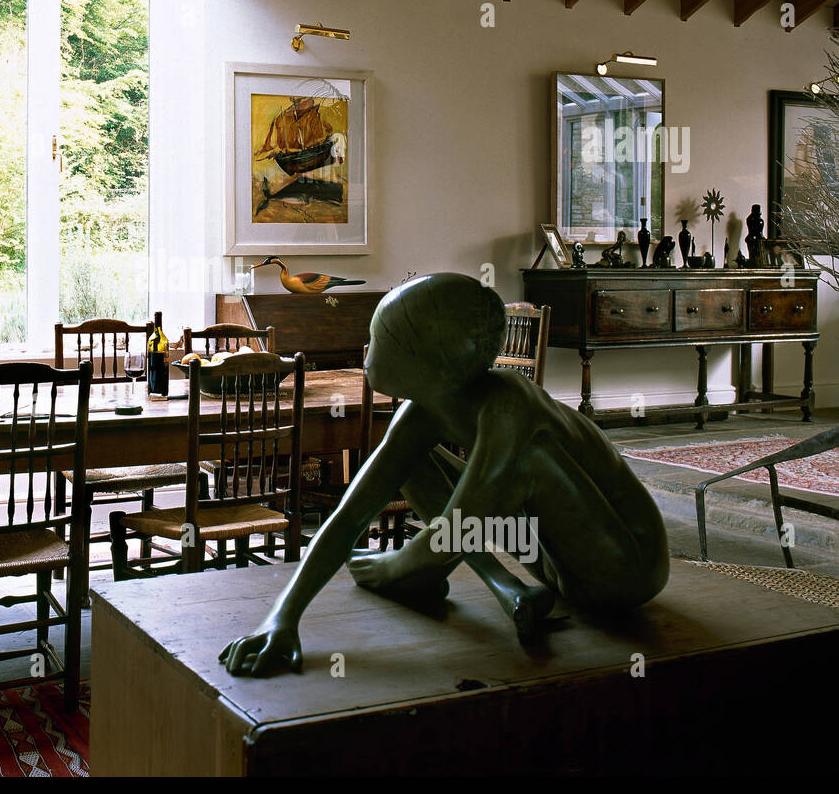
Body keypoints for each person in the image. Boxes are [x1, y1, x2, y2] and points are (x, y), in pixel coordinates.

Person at [219, 273, 669, 678]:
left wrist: (388, 569)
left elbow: (459, 529)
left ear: (428, 362)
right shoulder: (422, 411)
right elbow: (350, 514)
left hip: (623, 572)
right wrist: (282, 618)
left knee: (501, 484)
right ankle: (507, 587)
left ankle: (450, 578)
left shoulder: (509, 403)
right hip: (558, 567)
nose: (368, 350)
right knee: (409, 464)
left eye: (380, 340)